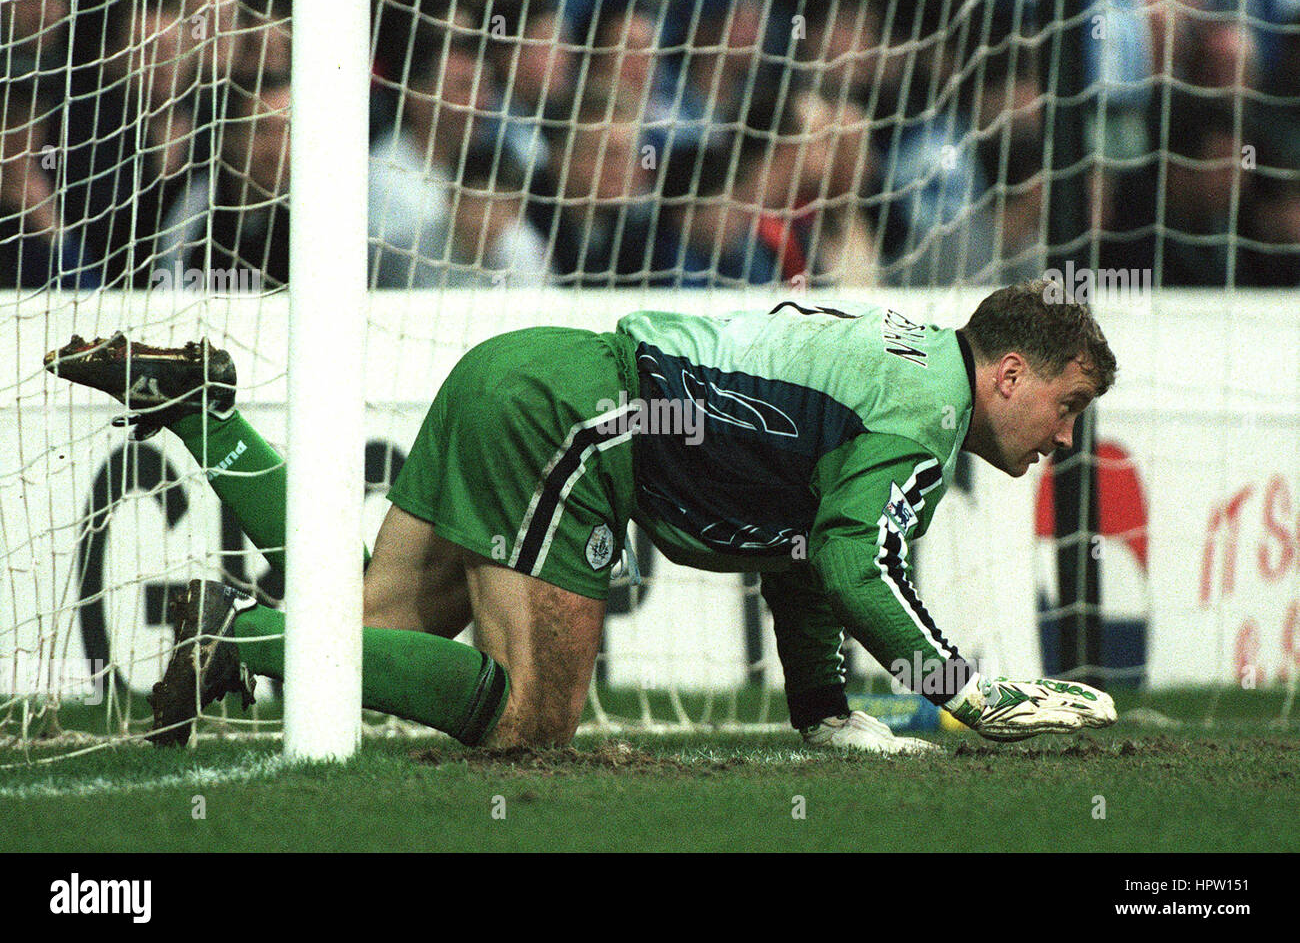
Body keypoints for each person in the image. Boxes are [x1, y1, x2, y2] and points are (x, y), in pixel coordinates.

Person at [43, 278, 1119, 751]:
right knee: (530, 723)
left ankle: (201, 412)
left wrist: (823, 708)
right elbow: (852, 562)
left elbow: (807, 552)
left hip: (530, 375)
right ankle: (234, 631)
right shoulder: (929, 408)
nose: (1064, 437)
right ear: (1010, 373)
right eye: (1067, 406)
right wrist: (966, 692)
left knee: (371, 631)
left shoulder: (911, 364)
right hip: (578, 415)